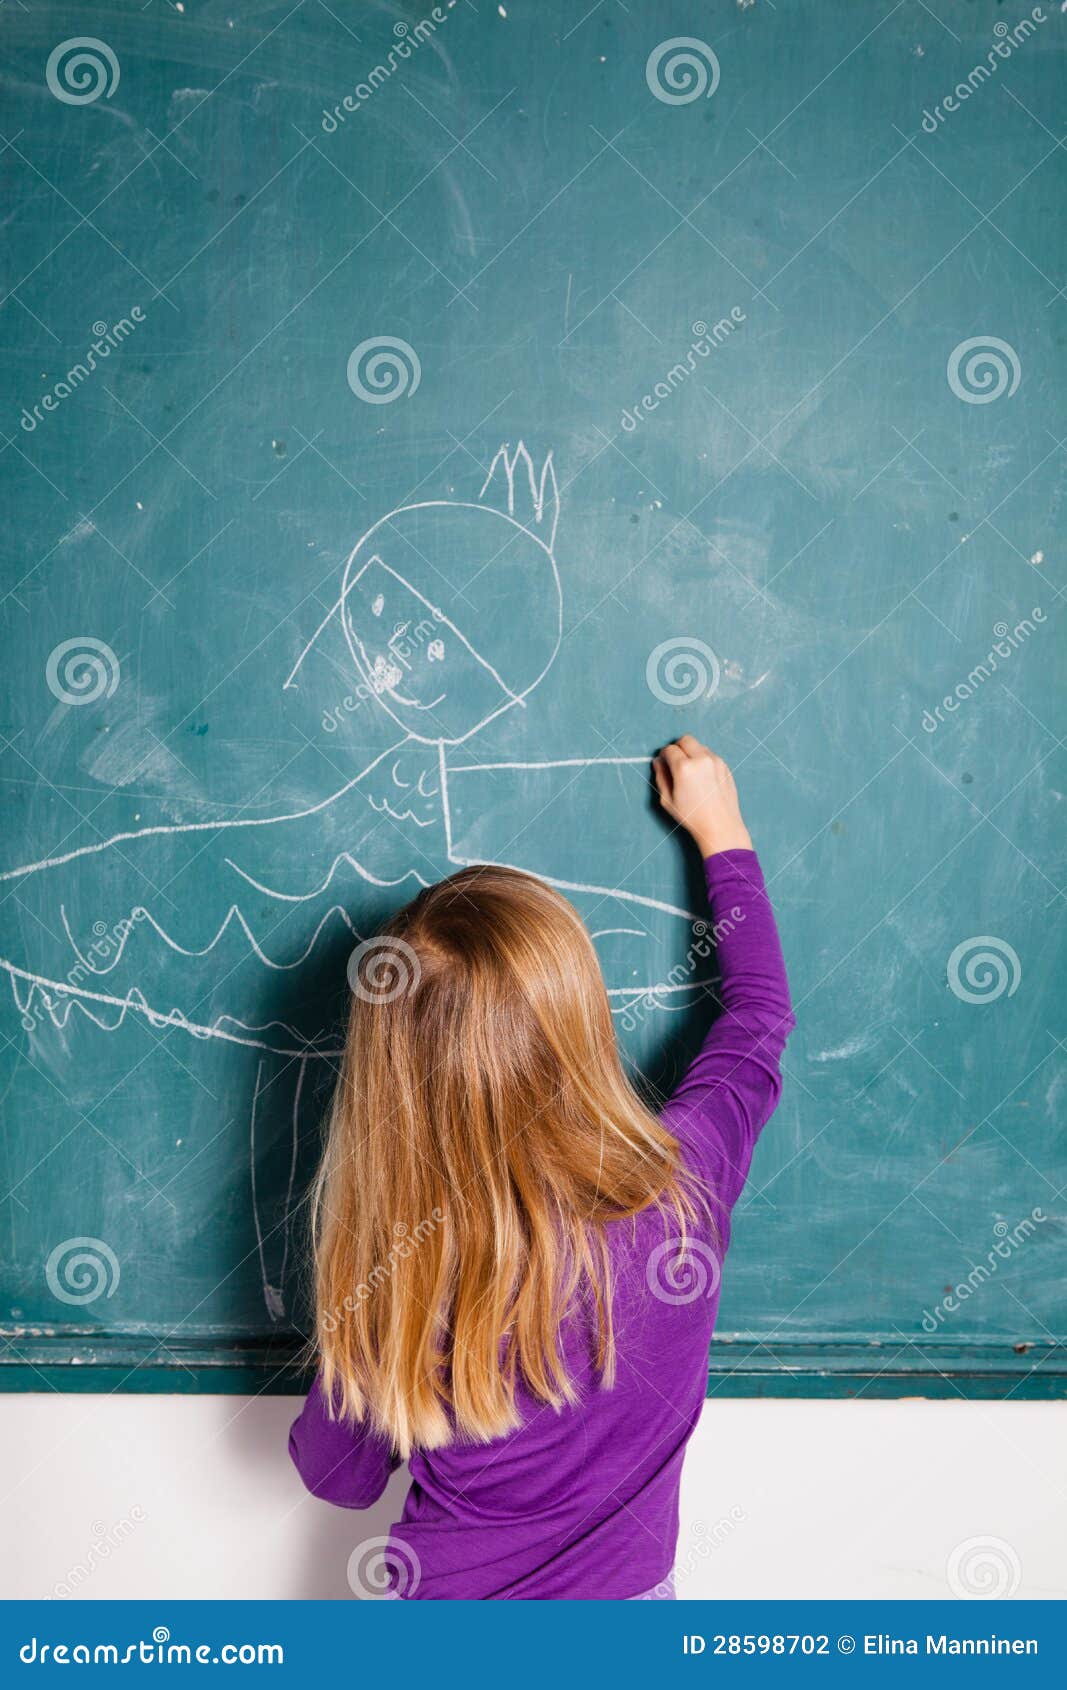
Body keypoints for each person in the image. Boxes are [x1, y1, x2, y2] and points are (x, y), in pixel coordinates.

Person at [289, 734, 794, 1600]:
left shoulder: (401, 1280)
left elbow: (337, 1477)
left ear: (387, 1079)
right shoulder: (683, 1187)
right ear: (576, 1019)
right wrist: (722, 831)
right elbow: (758, 1019)